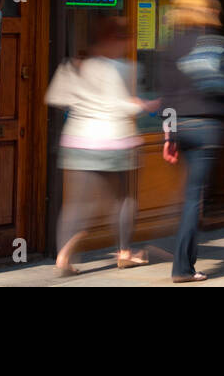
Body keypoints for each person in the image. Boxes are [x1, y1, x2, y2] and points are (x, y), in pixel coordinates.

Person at [45, 16, 152, 275]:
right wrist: (143, 104)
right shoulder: (121, 68)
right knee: (123, 199)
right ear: (114, 40)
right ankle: (125, 251)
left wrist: (85, 104)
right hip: (114, 141)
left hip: (76, 141)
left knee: (75, 204)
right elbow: (121, 105)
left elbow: (56, 98)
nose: (127, 44)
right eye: (125, 39)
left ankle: (63, 255)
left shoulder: (73, 64)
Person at [158, 0, 224, 283]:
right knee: (194, 198)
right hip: (207, 127)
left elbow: (167, 96)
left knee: (189, 195)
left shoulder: (170, 46)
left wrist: (169, 136)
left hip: (181, 126)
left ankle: (182, 261)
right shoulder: (214, 44)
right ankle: (183, 268)